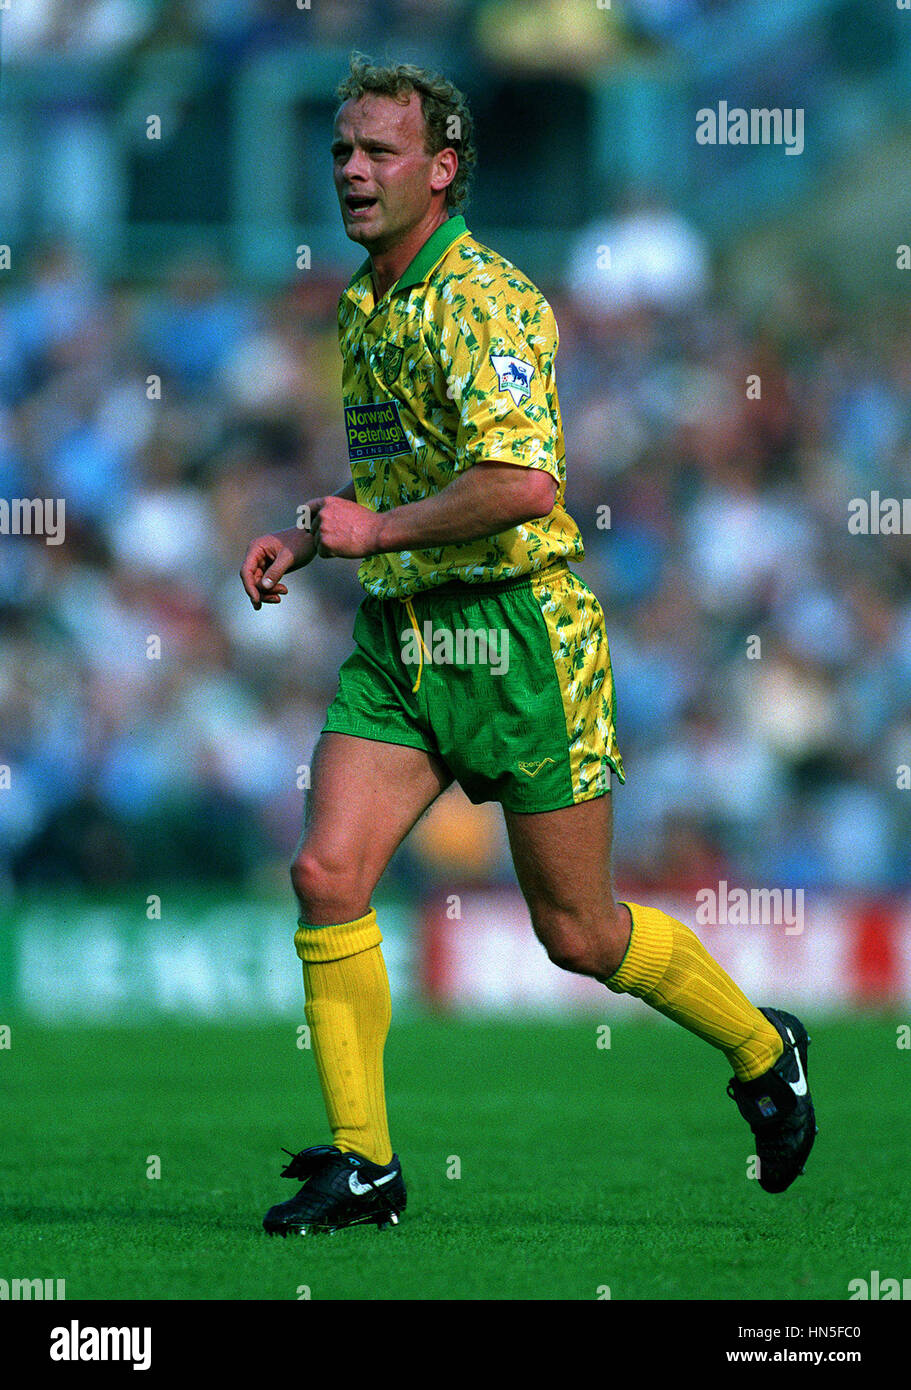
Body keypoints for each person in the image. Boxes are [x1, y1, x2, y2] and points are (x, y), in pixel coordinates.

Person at [239, 54, 816, 1235]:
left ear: (440, 171)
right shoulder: (364, 297)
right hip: (405, 639)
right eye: (341, 149)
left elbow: (522, 483)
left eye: (376, 151)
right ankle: (367, 1164)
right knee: (324, 873)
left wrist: (373, 531)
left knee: (578, 932)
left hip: (515, 641)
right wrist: (315, 533)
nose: (350, 169)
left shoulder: (486, 299)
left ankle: (765, 1053)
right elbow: (402, 473)